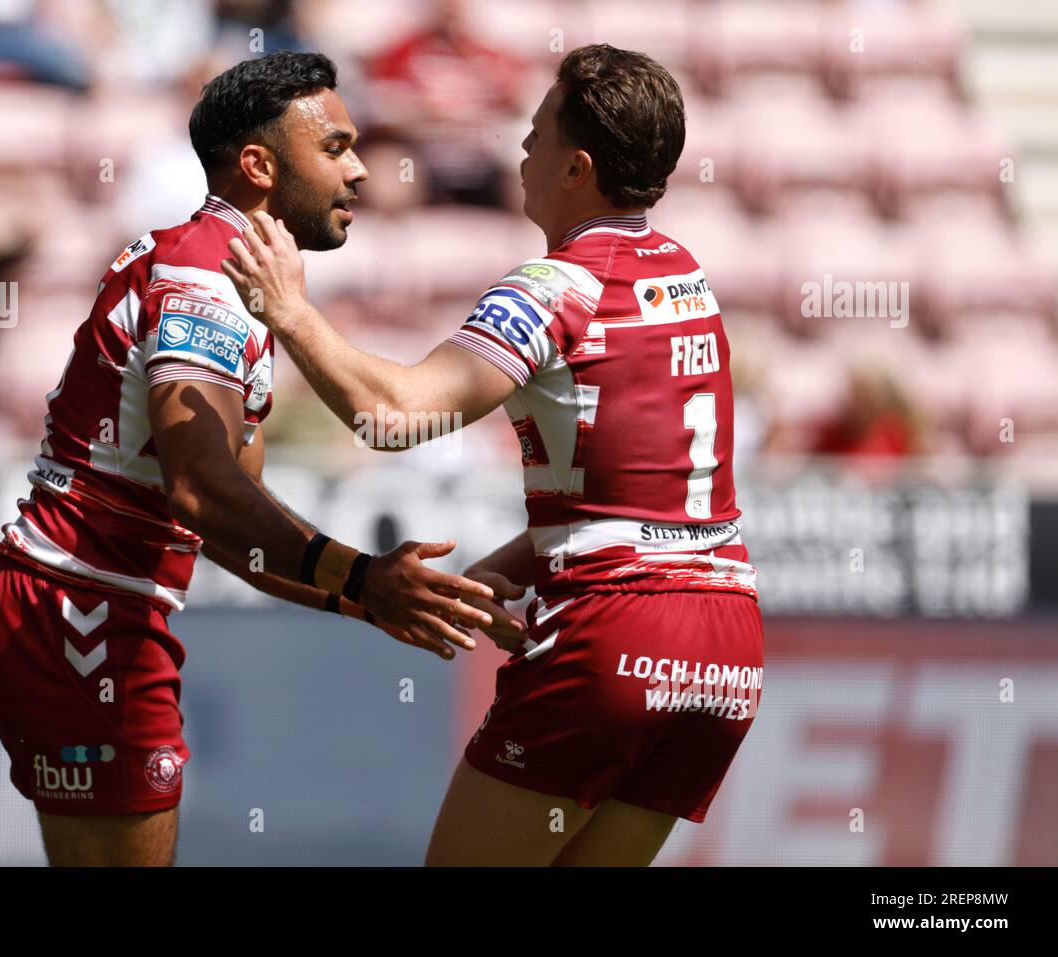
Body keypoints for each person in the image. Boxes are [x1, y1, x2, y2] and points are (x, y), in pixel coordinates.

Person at [222, 44, 764, 866]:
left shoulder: (555, 286)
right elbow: (651, 504)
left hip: (614, 636)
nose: (521, 149)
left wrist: (289, 311)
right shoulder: (688, 276)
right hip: (726, 650)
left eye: (537, 134)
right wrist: (508, 564)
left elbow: (393, 416)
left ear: (577, 168)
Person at [0, 51, 497, 867]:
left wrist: (361, 600)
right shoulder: (205, 280)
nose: (360, 171)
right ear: (259, 165)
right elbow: (203, 491)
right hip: (79, 609)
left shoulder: (221, 272)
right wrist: (360, 576)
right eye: (336, 148)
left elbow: (224, 527)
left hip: (73, 601)